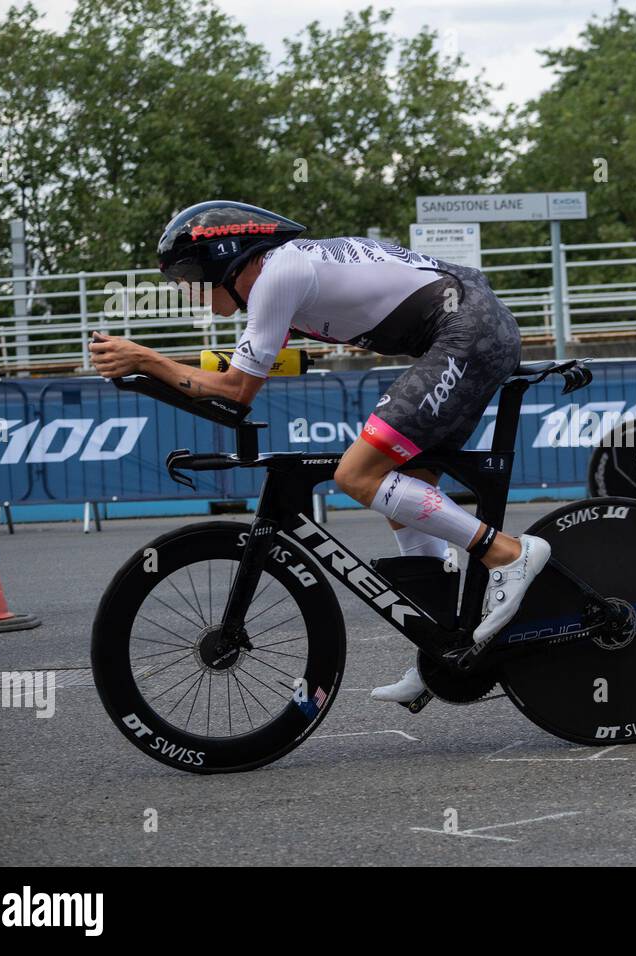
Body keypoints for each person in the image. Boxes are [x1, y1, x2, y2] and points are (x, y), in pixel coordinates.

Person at [88, 200, 549, 706]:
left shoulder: (275, 277)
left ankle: (507, 553)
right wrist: (163, 369)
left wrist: (145, 359)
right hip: (469, 323)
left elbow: (237, 390)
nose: (186, 289)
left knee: (358, 475)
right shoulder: (284, 272)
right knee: (401, 481)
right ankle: (442, 642)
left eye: (189, 275)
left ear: (226, 257)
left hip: (466, 331)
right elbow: (262, 365)